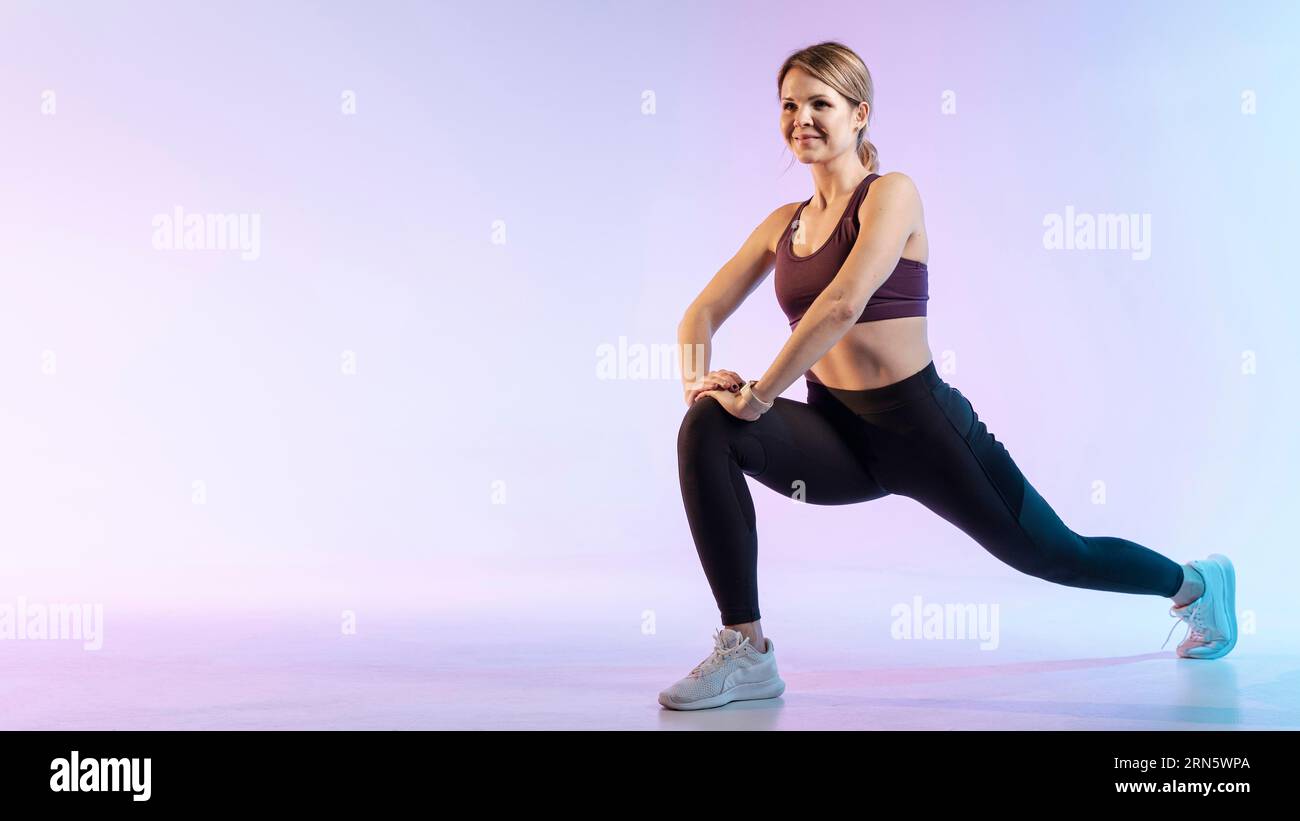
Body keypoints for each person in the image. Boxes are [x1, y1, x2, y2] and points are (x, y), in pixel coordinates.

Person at [659, 41, 1237, 712]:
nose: (801, 119)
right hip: (836, 435)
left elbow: (843, 304)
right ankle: (747, 650)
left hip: (922, 431)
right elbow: (699, 312)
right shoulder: (781, 225)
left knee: (1054, 553)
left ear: (859, 114)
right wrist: (698, 385)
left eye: (820, 103)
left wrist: (759, 394)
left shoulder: (892, 194)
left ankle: (1195, 584)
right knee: (707, 425)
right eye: (789, 105)